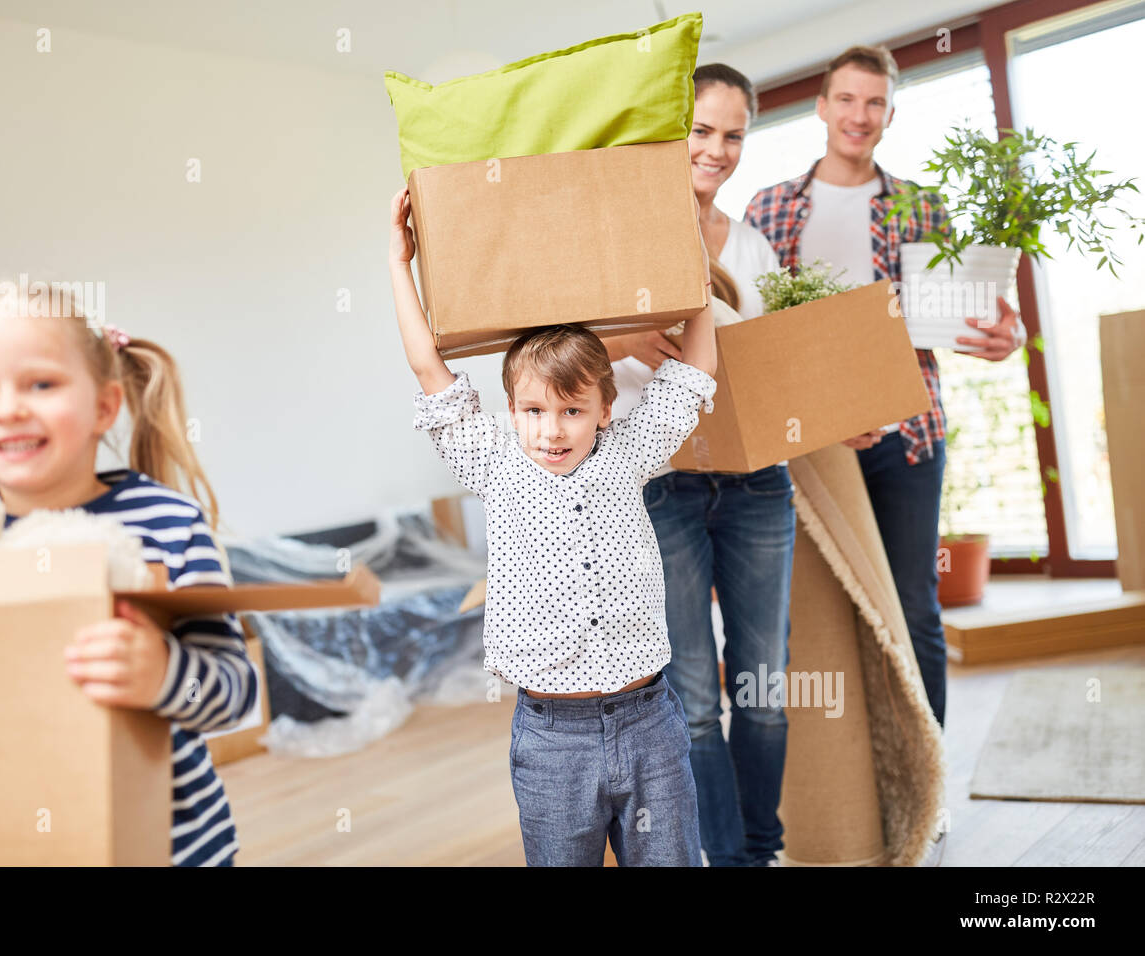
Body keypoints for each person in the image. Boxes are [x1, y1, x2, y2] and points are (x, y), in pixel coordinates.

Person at [0, 279, 258, 867]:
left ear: (105, 406)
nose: (10, 408)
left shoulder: (168, 526)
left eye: (41, 384)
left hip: (174, 851)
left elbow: (234, 691)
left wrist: (164, 674)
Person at [390, 185, 723, 866]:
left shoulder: (632, 452)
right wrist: (400, 263)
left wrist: (686, 257)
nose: (551, 429)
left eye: (572, 410)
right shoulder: (491, 463)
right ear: (511, 411)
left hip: (650, 722)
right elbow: (428, 367)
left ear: (605, 408)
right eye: (535, 411)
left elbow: (697, 367)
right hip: (551, 739)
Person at [744, 44, 1025, 734]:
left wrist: (1003, 335)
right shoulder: (772, 208)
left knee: (914, 603)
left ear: (891, 113)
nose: (858, 115)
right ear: (822, 107)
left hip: (906, 438)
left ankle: (927, 771)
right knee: (824, 612)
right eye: (846, 99)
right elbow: (758, 337)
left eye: (874, 103)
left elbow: (968, 317)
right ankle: (853, 786)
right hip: (813, 445)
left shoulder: (923, 210)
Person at [604, 63, 794, 867]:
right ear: (670, 133)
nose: (716, 150)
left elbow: (780, 360)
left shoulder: (750, 243)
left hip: (758, 484)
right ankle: (732, 859)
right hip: (665, 487)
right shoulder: (620, 234)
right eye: (702, 131)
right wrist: (625, 341)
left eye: (733, 135)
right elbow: (559, 357)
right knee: (694, 700)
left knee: (765, 693)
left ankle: (764, 846)